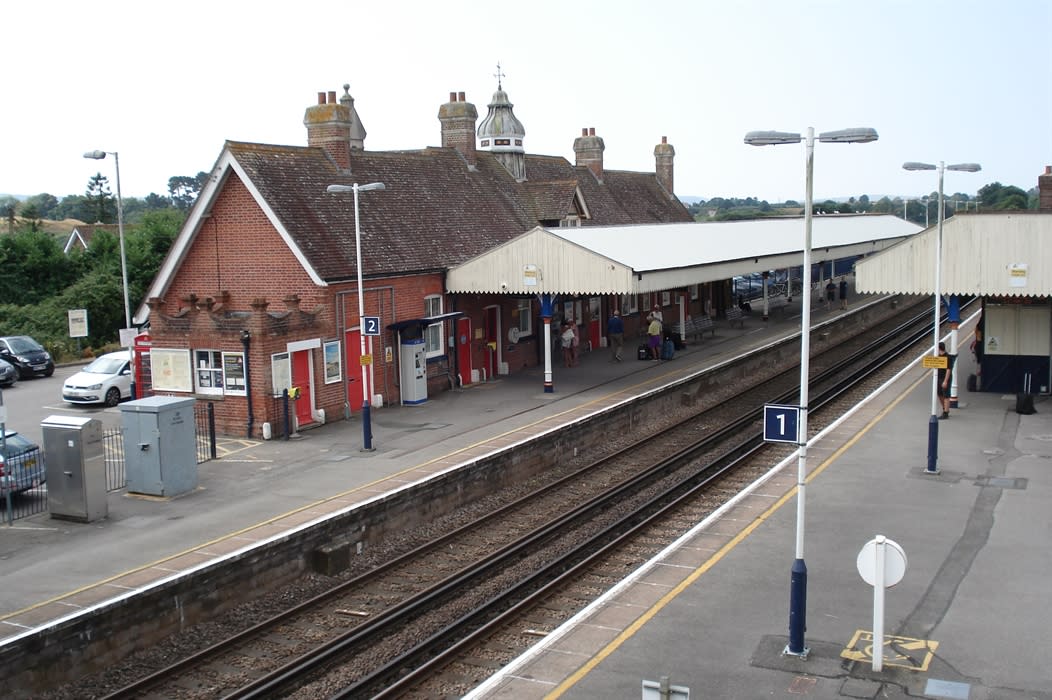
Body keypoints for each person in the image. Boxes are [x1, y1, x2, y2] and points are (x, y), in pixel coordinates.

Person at [936, 341, 953, 419]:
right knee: (939, 394)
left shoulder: (948, 357)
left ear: (939, 348)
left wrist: (945, 381)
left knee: (946, 394)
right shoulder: (937, 356)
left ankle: (946, 412)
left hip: (945, 378)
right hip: (938, 377)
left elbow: (948, 370)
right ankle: (944, 408)